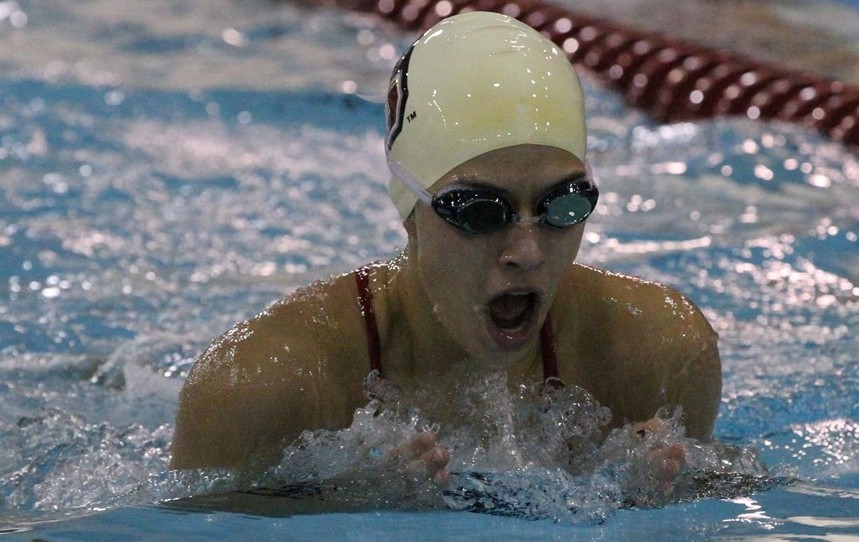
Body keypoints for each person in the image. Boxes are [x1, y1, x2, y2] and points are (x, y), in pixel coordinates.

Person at [170, 12, 721, 492]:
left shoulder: (658, 356)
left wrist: (656, 497)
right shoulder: (260, 389)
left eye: (562, 206)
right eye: (481, 211)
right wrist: (338, 505)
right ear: (410, 208)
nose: (527, 252)